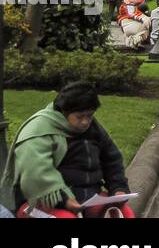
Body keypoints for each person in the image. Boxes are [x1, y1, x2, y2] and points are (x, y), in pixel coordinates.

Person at [4, 82, 135, 219]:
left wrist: (118, 189)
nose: (85, 122)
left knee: (124, 213)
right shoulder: (39, 129)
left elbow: (111, 159)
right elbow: (37, 172)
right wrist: (65, 200)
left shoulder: (93, 128)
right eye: (80, 117)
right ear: (64, 112)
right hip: (44, 202)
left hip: (88, 198)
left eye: (89, 115)